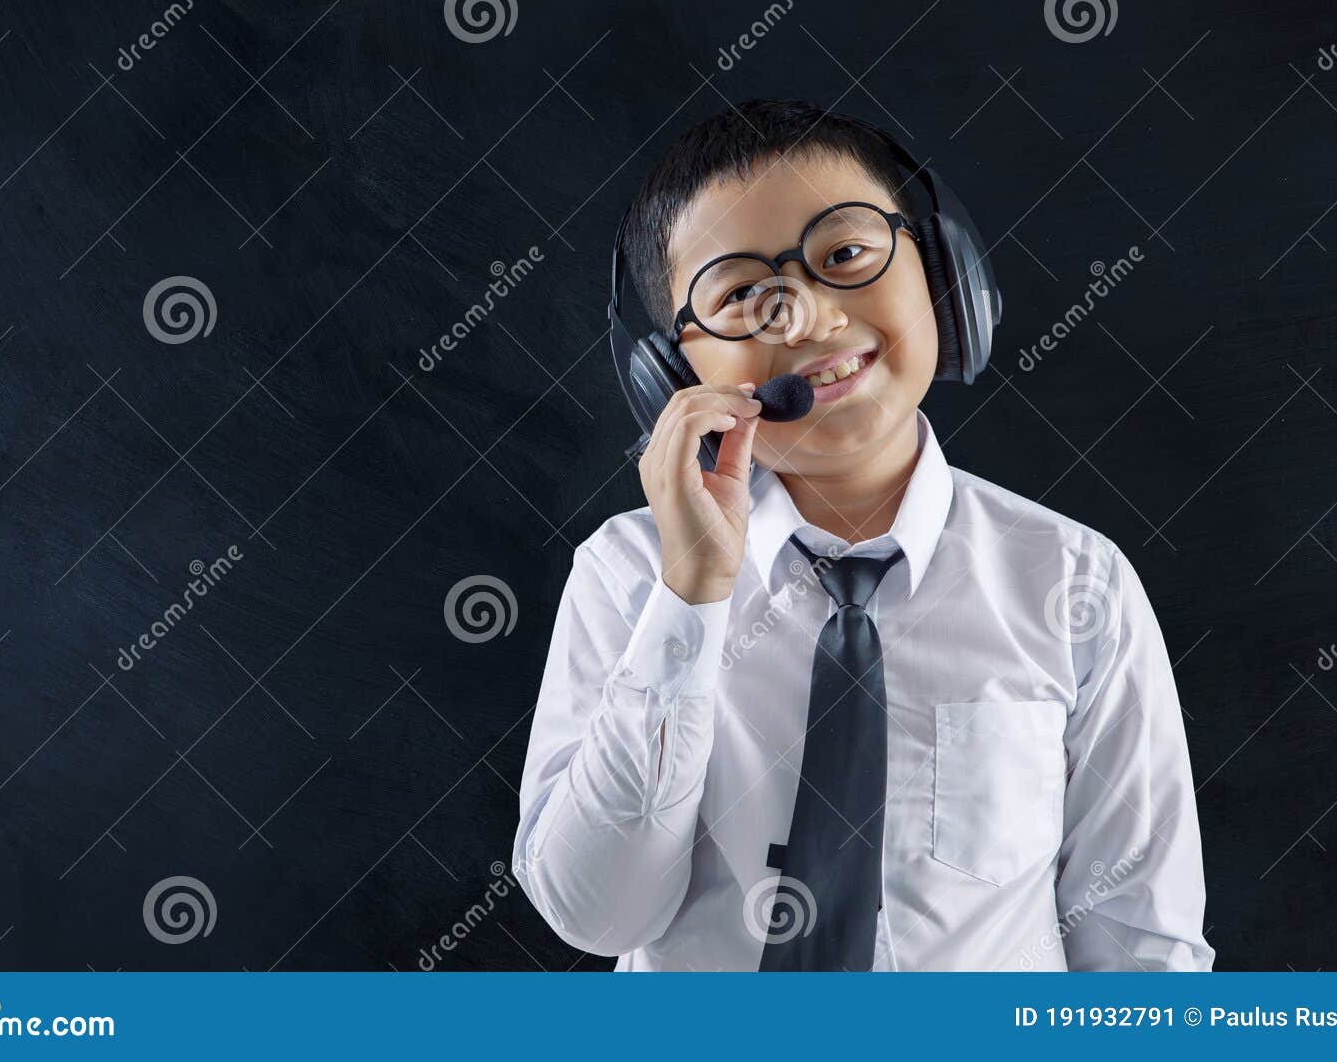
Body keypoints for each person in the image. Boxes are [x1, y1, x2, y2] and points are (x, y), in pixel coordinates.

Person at [512, 98, 1213, 971]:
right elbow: (598, 913)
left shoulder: (1077, 584)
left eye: (844, 254)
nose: (802, 319)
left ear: (942, 274)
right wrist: (689, 595)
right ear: (673, 371)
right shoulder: (628, 574)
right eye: (739, 294)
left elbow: (1140, 946)